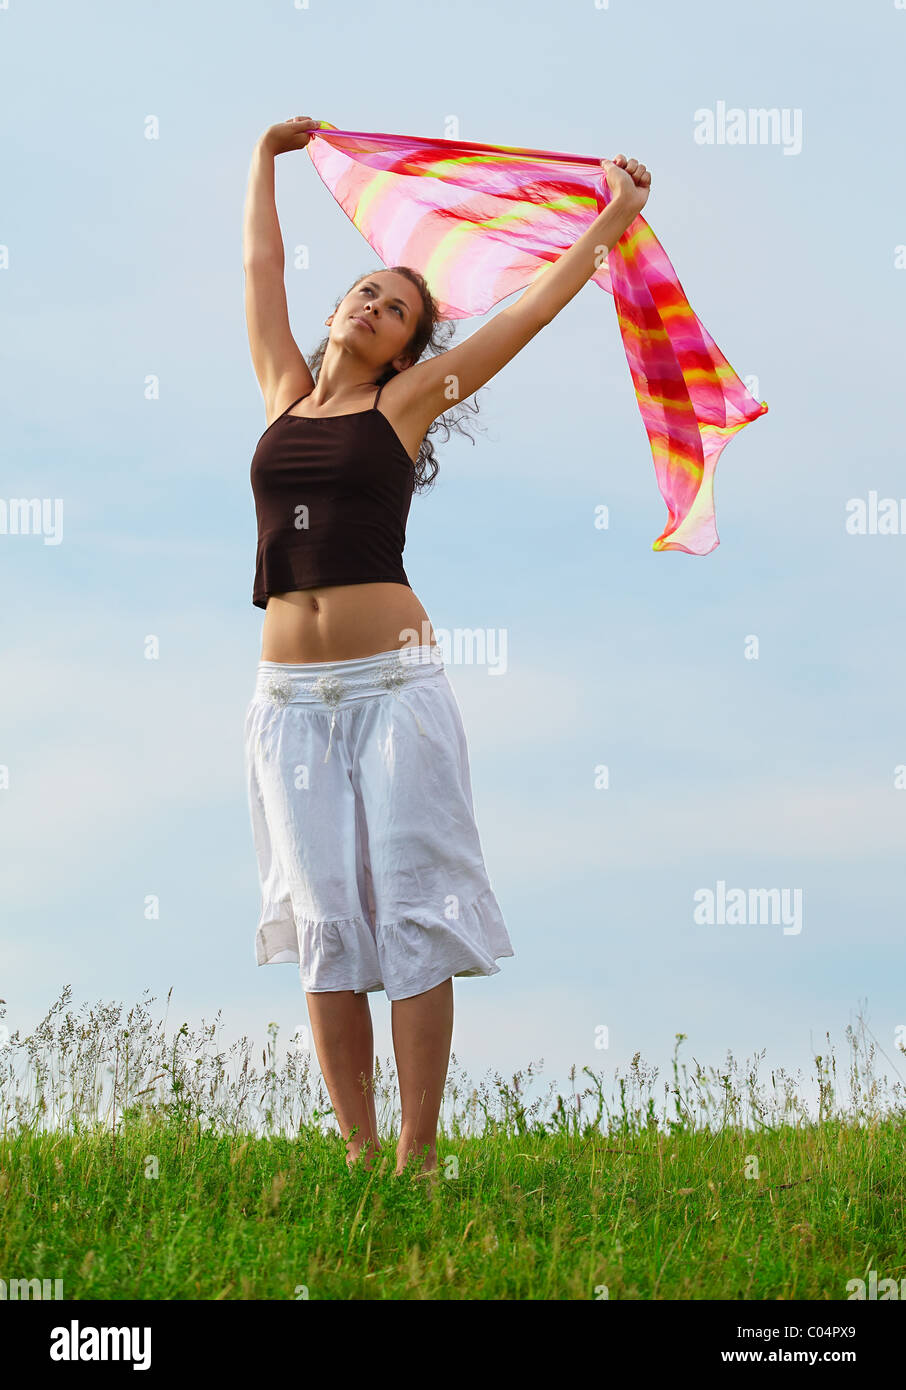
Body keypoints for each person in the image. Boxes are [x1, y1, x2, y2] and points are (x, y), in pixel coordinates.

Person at [242, 116, 651, 1181]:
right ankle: (361, 1152)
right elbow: (260, 264)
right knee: (326, 920)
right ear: (340, 311)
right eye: (369, 293)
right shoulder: (282, 390)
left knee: (417, 905)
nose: (376, 310)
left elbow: (532, 311)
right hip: (287, 699)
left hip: (393, 689)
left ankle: (421, 1155)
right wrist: (263, 160)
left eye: (399, 313)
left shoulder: (409, 402)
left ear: (408, 348)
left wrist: (613, 218)